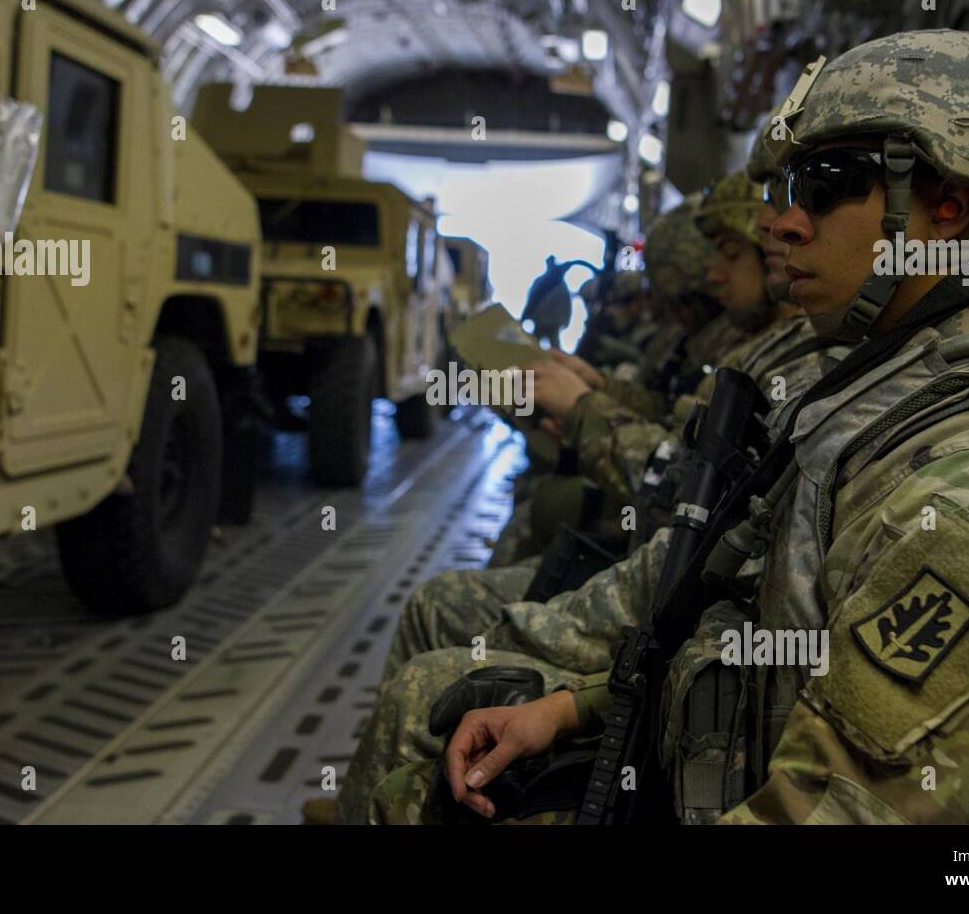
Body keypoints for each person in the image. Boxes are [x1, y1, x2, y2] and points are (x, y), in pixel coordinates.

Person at [372, 29, 969, 825]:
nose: (788, 225)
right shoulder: (888, 389)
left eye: (826, 183)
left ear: (948, 208)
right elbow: (767, 616)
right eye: (784, 192)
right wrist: (576, 706)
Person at [325, 169, 853, 824]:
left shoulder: (859, 384)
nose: (784, 229)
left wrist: (585, 412)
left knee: (437, 655)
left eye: (733, 251)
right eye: (771, 214)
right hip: (685, 635)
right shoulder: (819, 358)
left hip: (705, 674)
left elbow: (688, 485)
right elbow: (692, 455)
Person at [521, 255, 578, 346]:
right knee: (534, 344)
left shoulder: (561, 288)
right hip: (540, 321)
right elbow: (532, 299)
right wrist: (527, 316)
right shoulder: (541, 281)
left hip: (553, 324)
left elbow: (566, 306)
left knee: (554, 346)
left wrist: (565, 321)